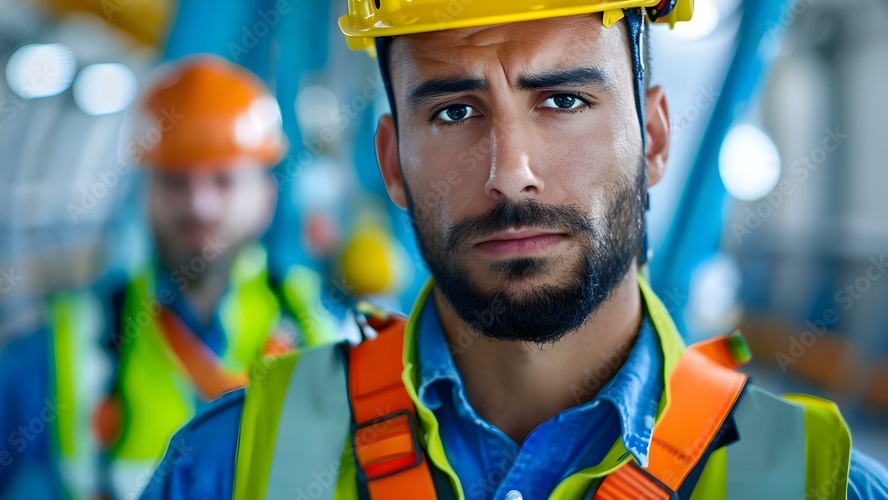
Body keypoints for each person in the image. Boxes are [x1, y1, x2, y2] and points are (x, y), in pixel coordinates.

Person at [142, 2, 888, 499]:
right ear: (393, 163)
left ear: (655, 138)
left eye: (563, 101)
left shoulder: (815, 486)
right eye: (454, 111)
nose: (510, 172)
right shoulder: (226, 468)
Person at [0, 54, 337, 499]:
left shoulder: (325, 341)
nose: (199, 205)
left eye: (223, 181)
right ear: (145, 196)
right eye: (175, 182)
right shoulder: (67, 348)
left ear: (265, 198)